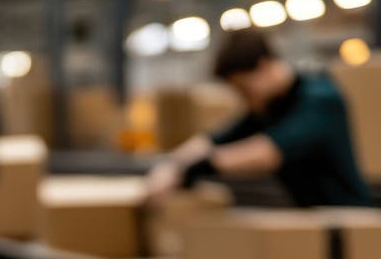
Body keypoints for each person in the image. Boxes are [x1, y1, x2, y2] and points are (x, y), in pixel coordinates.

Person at [147, 29, 370, 208]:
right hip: (315, 220)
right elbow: (215, 139)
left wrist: (188, 170)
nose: (244, 98)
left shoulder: (319, 99)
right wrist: (170, 165)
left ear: (263, 66)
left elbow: (267, 153)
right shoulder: (269, 106)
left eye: (244, 89)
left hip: (352, 220)